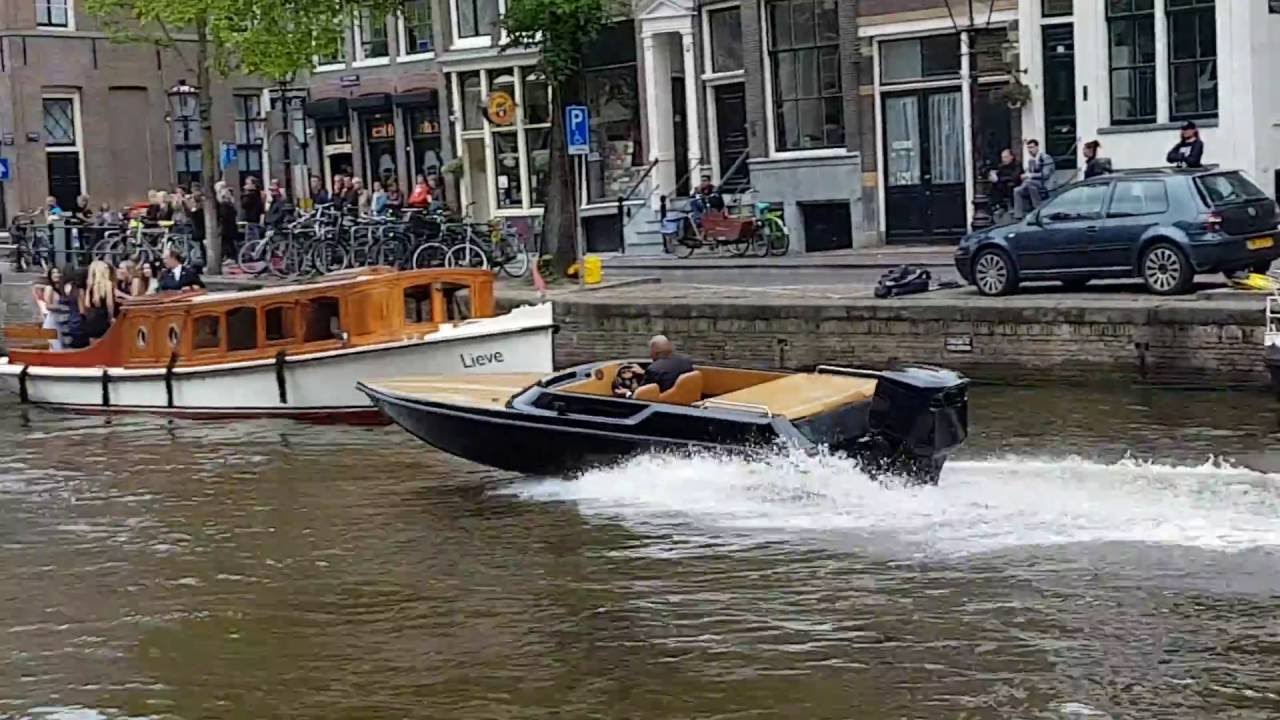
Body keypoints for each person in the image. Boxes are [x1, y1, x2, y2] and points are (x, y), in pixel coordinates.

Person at [1013, 139, 1055, 219]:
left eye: (1032, 147)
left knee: (1029, 183)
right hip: (1034, 184)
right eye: (1028, 148)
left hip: (1046, 183)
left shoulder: (1045, 158)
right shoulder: (1031, 160)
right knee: (1017, 190)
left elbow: (1045, 174)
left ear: (1037, 147)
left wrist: (1030, 176)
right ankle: (1018, 215)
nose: (1030, 150)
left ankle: (1037, 208)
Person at [82, 260, 115, 341]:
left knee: (92, 345)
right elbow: (109, 303)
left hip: (91, 319)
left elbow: (87, 305)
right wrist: (111, 317)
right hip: (103, 317)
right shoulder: (108, 284)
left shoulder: (89, 285)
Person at [39, 266, 68, 351]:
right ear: (50, 276)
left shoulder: (60, 288)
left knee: (58, 346)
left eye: (57, 272)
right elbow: (48, 306)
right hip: (52, 322)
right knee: (56, 347)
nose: (56, 274)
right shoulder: (49, 288)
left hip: (59, 321)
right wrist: (62, 308)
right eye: (53, 273)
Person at [989, 148, 1022, 216]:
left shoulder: (1017, 164)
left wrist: (999, 179)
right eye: (1002, 157)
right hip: (1003, 184)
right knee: (994, 185)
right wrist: (993, 176)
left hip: (1016, 183)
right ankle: (998, 206)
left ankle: (1010, 206)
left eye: (1006, 157)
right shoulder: (1001, 166)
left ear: (1011, 157)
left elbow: (1015, 177)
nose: (1004, 159)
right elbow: (998, 175)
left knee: (1009, 185)